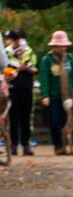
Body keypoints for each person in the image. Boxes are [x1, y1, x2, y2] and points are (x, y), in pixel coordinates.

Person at [38, 31, 73, 155]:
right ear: (54, 46)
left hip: (68, 95)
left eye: (65, 45)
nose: (63, 48)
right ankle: (58, 145)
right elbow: (44, 79)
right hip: (53, 96)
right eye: (61, 45)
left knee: (68, 121)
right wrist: (45, 95)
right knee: (55, 121)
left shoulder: (70, 58)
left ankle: (68, 145)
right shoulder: (47, 60)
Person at [4, 28, 36, 156]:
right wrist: (13, 71)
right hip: (12, 87)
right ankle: (13, 145)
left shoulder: (29, 51)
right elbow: (4, 69)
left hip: (26, 86)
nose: (17, 41)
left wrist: (26, 67)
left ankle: (26, 144)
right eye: (15, 39)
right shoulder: (6, 52)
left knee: (26, 116)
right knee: (13, 117)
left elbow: (34, 68)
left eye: (19, 38)